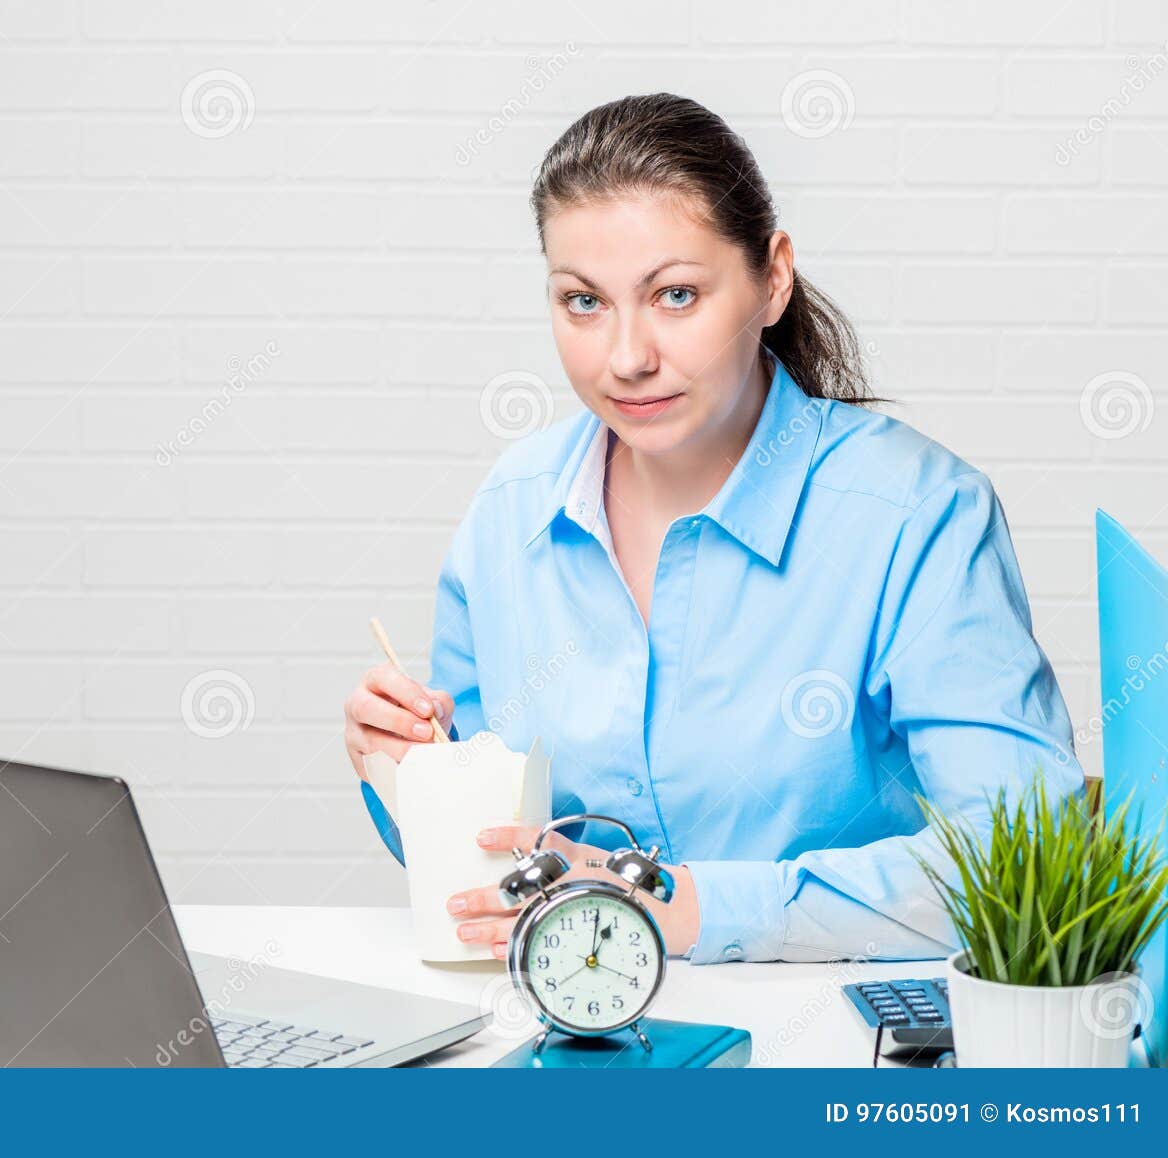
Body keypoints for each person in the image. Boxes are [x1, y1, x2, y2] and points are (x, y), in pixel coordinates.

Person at [341, 93, 1079, 964]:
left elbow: (1019, 865)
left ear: (772, 278)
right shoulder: (512, 511)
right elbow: (491, 873)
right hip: (572, 1030)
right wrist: (409, 773)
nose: (626, 356)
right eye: (583, 302)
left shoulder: (918, 516)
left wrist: (679, 905)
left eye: (676, 295)